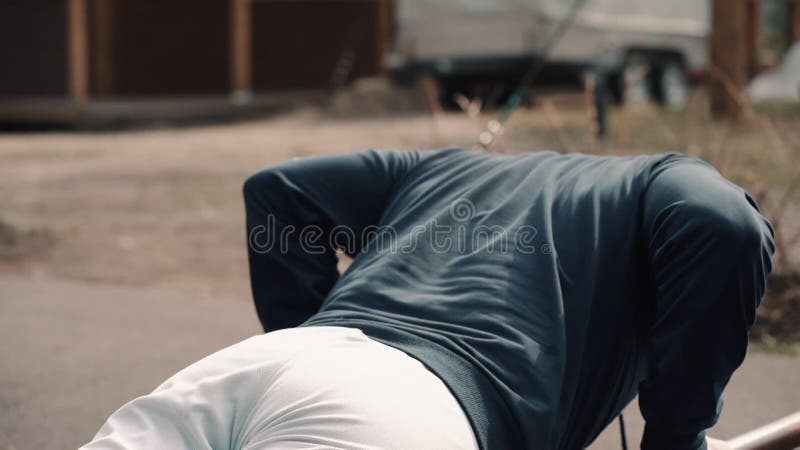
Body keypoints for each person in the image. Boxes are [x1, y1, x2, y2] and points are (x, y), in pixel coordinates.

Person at [84, 148, 774, 450]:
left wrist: (320, 340)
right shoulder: (662, 181)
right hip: (405, 407)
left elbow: (278, 192)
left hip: (244, 372)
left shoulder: (444, 167)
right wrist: (676, 439)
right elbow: (727, 225)